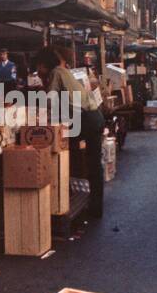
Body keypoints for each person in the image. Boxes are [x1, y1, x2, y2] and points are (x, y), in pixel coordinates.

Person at [35, 47, 105, 219]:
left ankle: (65, 195)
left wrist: (39, 118)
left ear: (44, 64)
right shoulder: (63, 71)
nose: (37, 71)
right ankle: (94, 206)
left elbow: (50, 101)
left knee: (61, 151)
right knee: (93, 163)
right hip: (94, 117)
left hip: (84, 120)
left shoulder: (55, 73)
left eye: (39, 66)